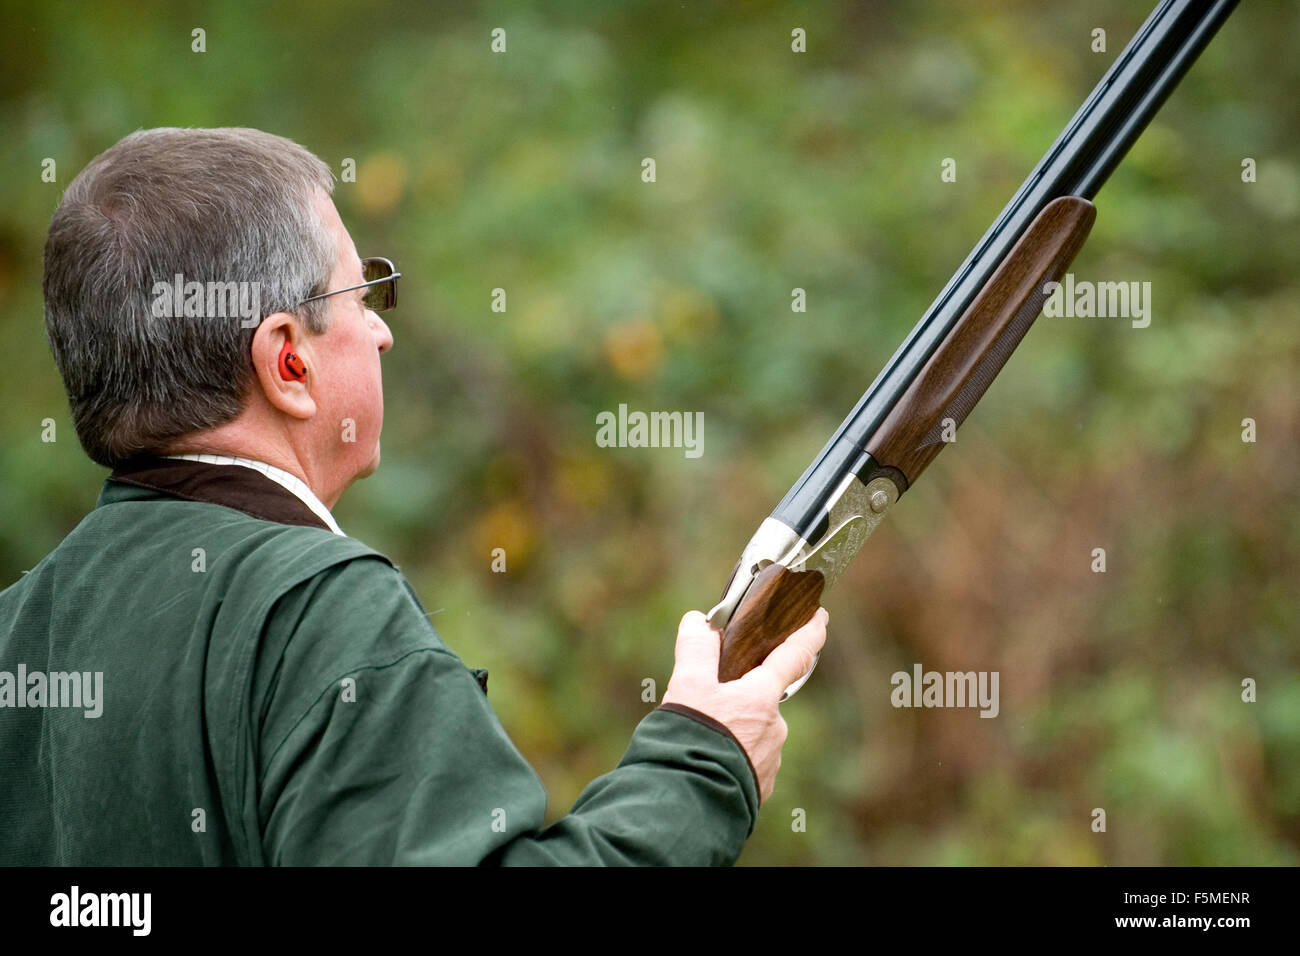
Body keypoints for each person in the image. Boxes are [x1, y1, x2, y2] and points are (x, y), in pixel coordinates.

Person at [0, 127, 827, 866]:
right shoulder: (319, 612)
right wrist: (702, 767)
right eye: (361, 294)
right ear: (289, 363)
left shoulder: (16, 630)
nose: (382, 328)